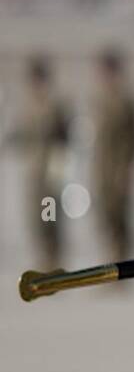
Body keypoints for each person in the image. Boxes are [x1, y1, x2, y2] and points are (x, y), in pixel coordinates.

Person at [16, 55, 70, 269]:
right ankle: (43, 258)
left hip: (51, 168)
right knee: (35, 217)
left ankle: (54, 258)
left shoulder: (55, 105)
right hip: (33, 170)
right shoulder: (28, 106)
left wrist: (58, 170)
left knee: (50, 215)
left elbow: (64, 138)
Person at [91, 48, 134, 263]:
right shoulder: (99, 99)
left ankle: (122, 260)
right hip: (102, 166)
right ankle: (110, 257)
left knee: (121, 215)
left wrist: (129, 168)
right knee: (104, 213)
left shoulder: (127, 100)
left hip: (120, 167)